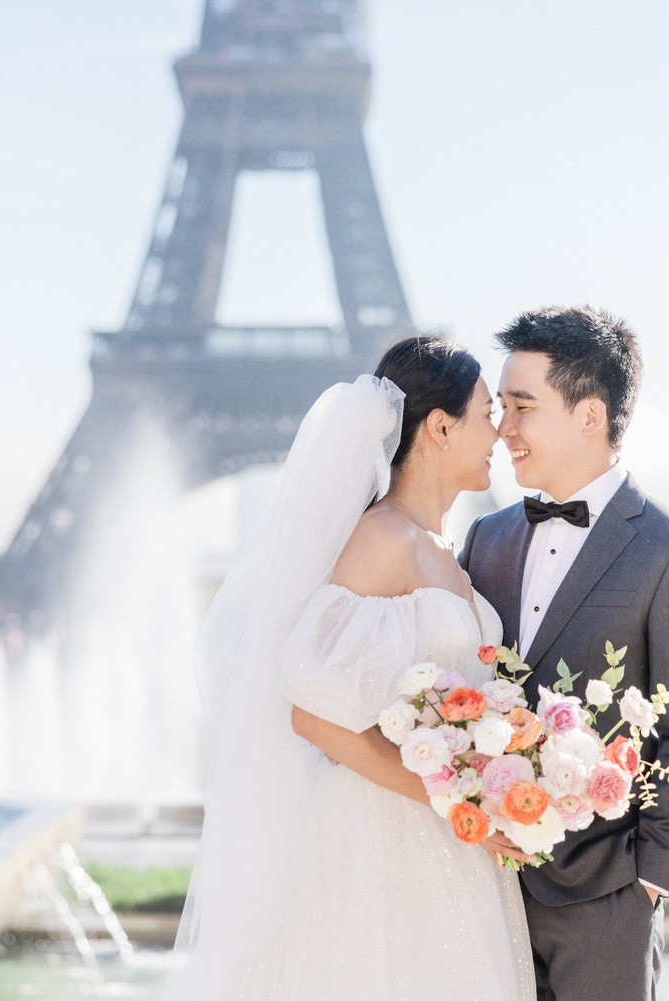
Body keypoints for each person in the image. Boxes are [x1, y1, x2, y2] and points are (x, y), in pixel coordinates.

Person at [162, 336, 535, 1001]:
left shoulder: (445, 547)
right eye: (486, 413)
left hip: (448, 839)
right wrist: (456, 800)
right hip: (381, 837)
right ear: (440, 426)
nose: (500, 432)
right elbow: (314, 717)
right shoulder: (382, 537)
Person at [460, 305, 669, 1001]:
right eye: (501, 406)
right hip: (483, 890)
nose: (503, 428)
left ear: (589, 415)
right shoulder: (484, 539)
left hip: (608, 901)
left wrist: (649, 880)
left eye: (522, 406)